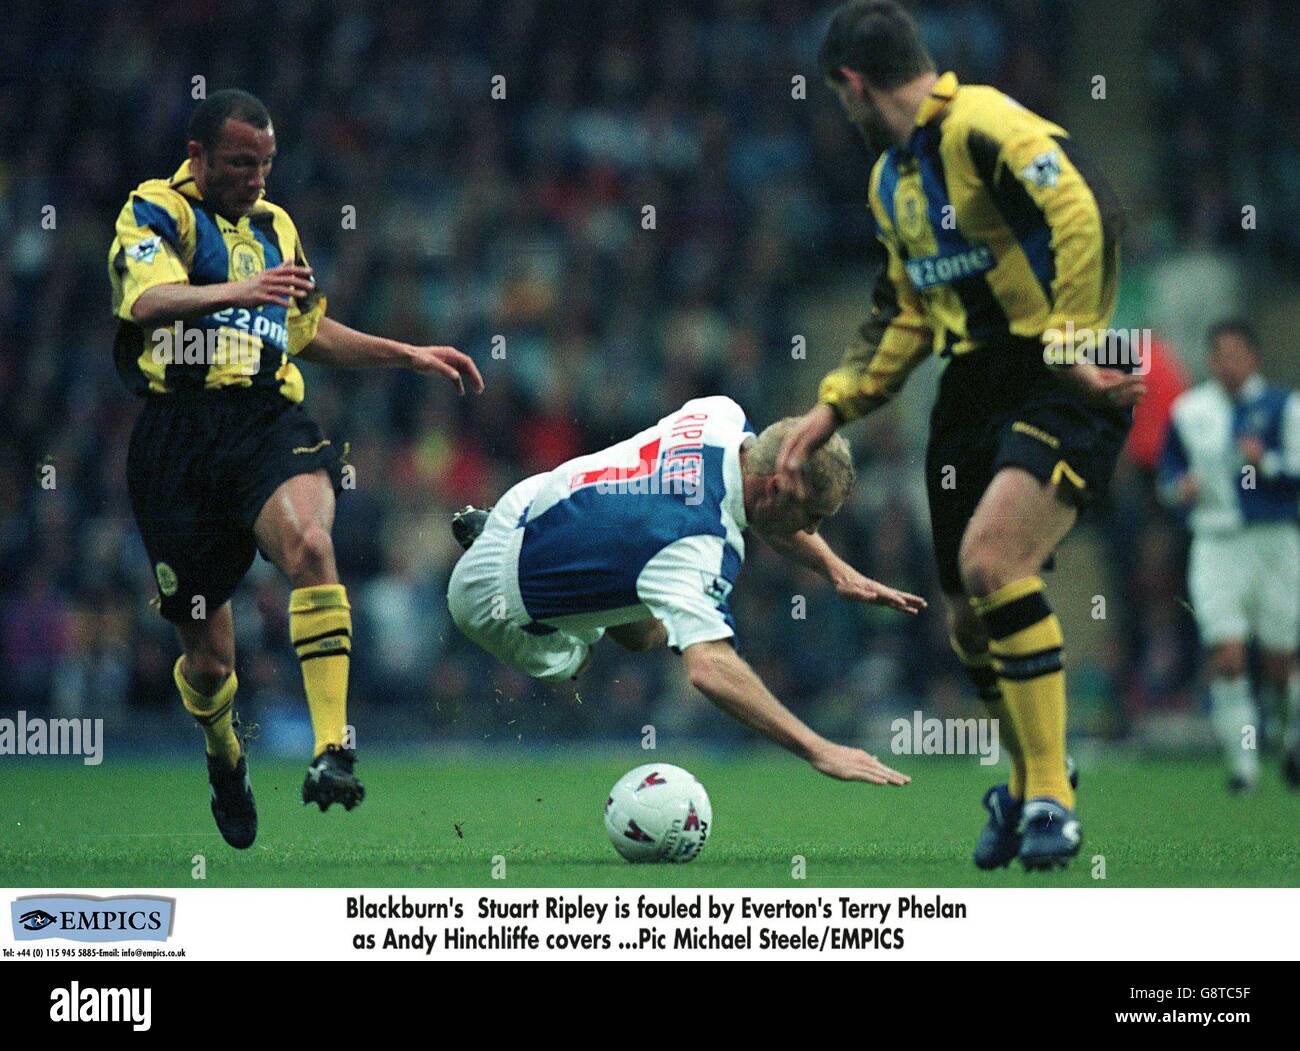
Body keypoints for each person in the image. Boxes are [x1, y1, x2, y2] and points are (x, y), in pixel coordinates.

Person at [775, 0, 1144, 869]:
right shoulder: (890, 181)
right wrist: (835, 406)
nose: (845, 114)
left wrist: (1073, 340)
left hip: (1057, 369)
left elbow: (1084, 211)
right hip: (967, 385)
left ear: (852, 83)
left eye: (841, 99)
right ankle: (1024, 787)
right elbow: (907, 308)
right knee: (969, 624)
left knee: (992, 562)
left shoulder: (984, 122)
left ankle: (1053, 793)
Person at [108, 89, 482, 848]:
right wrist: (238, 291)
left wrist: (404, 352)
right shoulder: (154, 213)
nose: (256, 179)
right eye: (241, 164)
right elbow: (147, 305)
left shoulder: (277, 228)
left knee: (313, 547)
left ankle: (331, 747)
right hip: (177, 443)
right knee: (210, 665)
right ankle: (224, 754)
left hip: (265, 420)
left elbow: (306, 331)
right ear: (199, 157)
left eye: (266, 164)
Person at [448, 395, 925, 785]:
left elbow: (756, 502)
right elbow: (710, 670)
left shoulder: (720, 414)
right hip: (490, 600)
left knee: (641, 615)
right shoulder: (697, 547)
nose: (815, 529)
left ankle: (522, 541)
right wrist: (817, 749)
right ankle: (570, 611)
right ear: (777, 489)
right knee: (630, 639)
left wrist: (837, 571)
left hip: (531, 500)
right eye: (813, 516)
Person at [1158, 320, 1300, 791]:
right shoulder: (1189, 410)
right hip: (1217, 542)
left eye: (1237, 353)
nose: (1229, 363)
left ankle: (1287, 733)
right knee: (1229, 655)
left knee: (1281, 662)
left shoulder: (1284, 406)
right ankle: (1244, 765)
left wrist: (1268, 464)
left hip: (1274, 539)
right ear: (1210, 359)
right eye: (1220, 354)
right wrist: (1181, 489)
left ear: (1254, 357)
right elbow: (1166, 477)